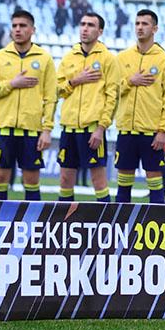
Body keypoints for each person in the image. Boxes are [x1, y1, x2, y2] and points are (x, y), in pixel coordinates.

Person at [0, 9, 56, 201]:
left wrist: (47, 130)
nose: (17, 29)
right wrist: (11, 84)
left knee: (31, 181)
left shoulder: (44, 58)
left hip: (31, 132)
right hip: (3, 130)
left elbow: (51, 97)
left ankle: (32, 220)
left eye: (22, 25)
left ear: (33, 30)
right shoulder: (0, 56)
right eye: (14, 26)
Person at [56, 12, 120, 203]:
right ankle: (64, 218)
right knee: (65, 180)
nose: (85, 28)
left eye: (90, 25)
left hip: (92, 129)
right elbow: (57, 91)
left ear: (100, 31)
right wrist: (75, 80)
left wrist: (101, 128)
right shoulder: (69, 57)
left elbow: (113, 97)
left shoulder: (108, 59)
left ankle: (106, 218)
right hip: (68, 128)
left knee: (98, 181)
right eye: (83, 24)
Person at [114, 10, 165, 203]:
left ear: (154, 29)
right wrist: (130, 81)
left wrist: (163, 131)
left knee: (155, 183)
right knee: (123, 184)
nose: (140, 27)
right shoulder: (122, 57)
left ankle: (157, 220)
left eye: (145, 24)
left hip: (152, 133)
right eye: (137, 23)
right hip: (126, 130)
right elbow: (112, 90)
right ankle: (121, 220)